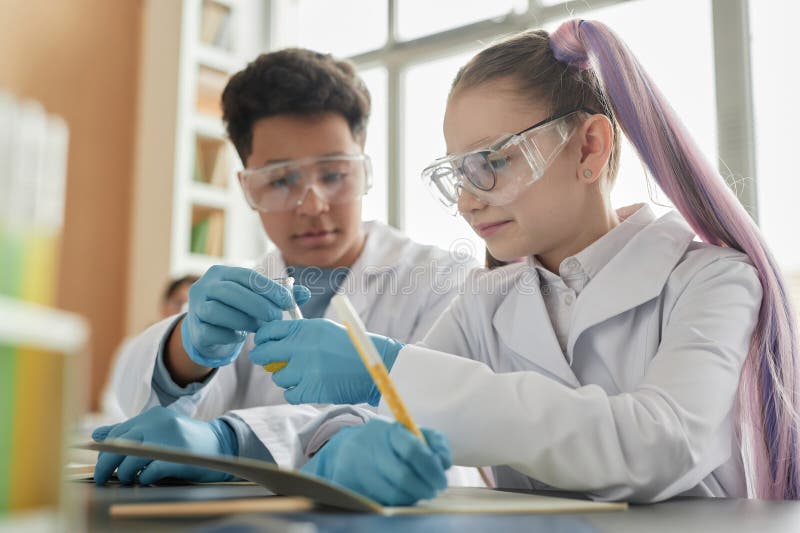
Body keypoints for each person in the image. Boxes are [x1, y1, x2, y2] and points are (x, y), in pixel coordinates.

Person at [248, 19, 800, 504]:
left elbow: (659, 445)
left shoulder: (714, 280)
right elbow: (387, 416)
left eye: (492, 162)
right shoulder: (485, 299)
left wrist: (389, 369)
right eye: (458, 173)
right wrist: (312, 443)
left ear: (590, 147)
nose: (468, 199)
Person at [92, 48, 480, 491]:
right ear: (246, 188)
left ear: (365, 169)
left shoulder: (444, 281)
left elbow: (453, 432)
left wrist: (231, 440)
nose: (313, 205)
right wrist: (184, 349)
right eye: (279, 181)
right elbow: (156, 412)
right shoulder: (244, 296)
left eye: (334, 174)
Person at [99, 274, 199, 421]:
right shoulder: (133, 345)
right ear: (164, 306)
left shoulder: (209, 361)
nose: (184, 311)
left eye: (191, 305)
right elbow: (111, 399)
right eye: (179, 303)